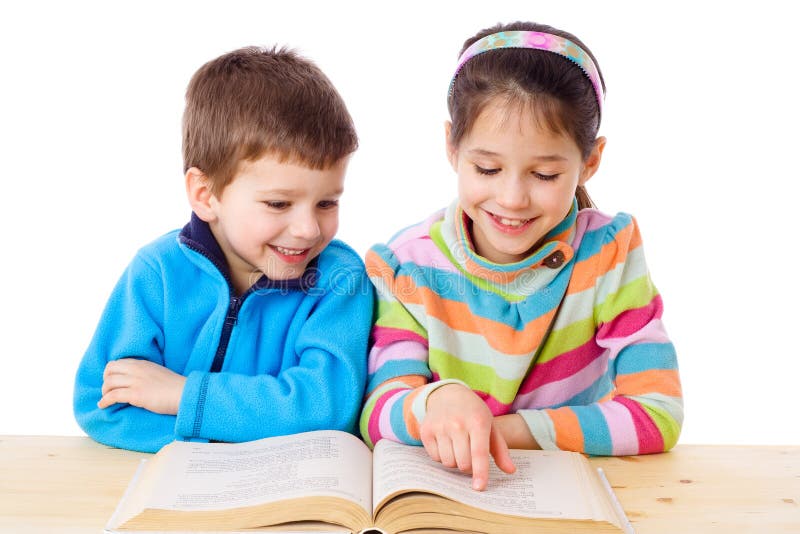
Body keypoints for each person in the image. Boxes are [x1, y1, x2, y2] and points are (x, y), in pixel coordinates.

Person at [360, 22, 683, 490]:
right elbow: (378, 411)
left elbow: (658, 412)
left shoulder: (610, 254)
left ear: (589, 161)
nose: (512, 199)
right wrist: (438, 400)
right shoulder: (406, 265)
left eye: (545, 174)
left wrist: (508, 431)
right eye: (487, 168)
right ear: (452, 146)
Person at [74, 46, 373, 453]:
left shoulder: (340, 279)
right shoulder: (156, 273)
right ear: (206, 194)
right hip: (173, 497)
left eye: (327, 203)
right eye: (278, 204)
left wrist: (184, 397)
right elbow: (103, 405)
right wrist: (228, 437)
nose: (307, 230)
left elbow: (327, 408)